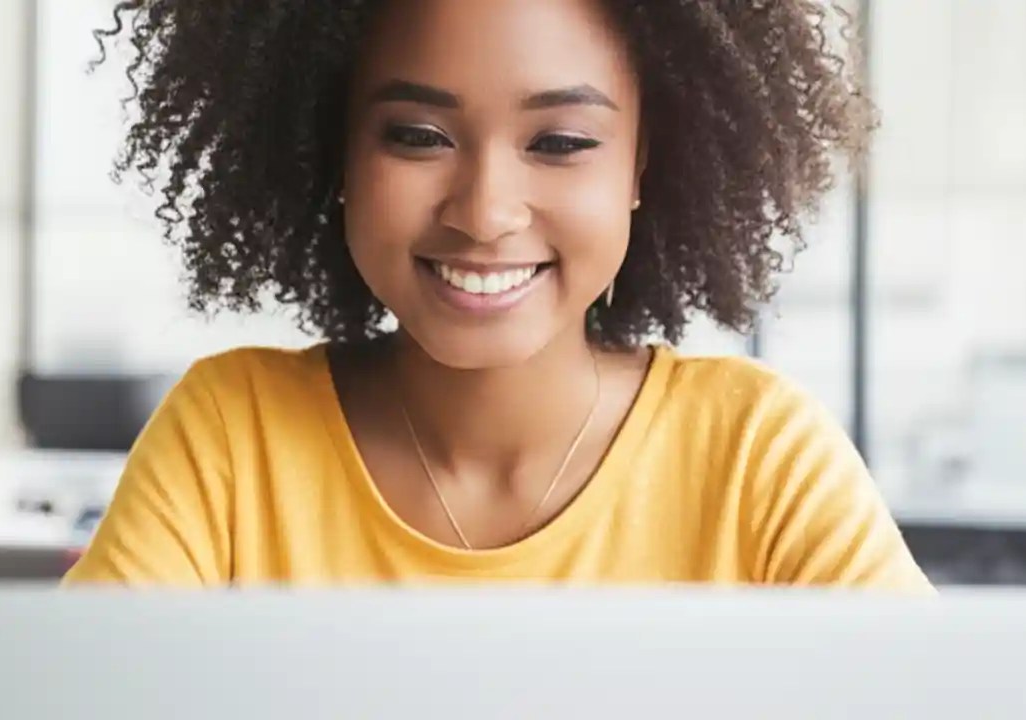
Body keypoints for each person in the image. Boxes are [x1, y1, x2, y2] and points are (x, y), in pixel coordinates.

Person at [64, 0, 931, 591]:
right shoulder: (230, 440)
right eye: (416, 136)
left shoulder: (757, 458)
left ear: (643, 165)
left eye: (557, 141)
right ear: (335, 155)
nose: (484, 213)